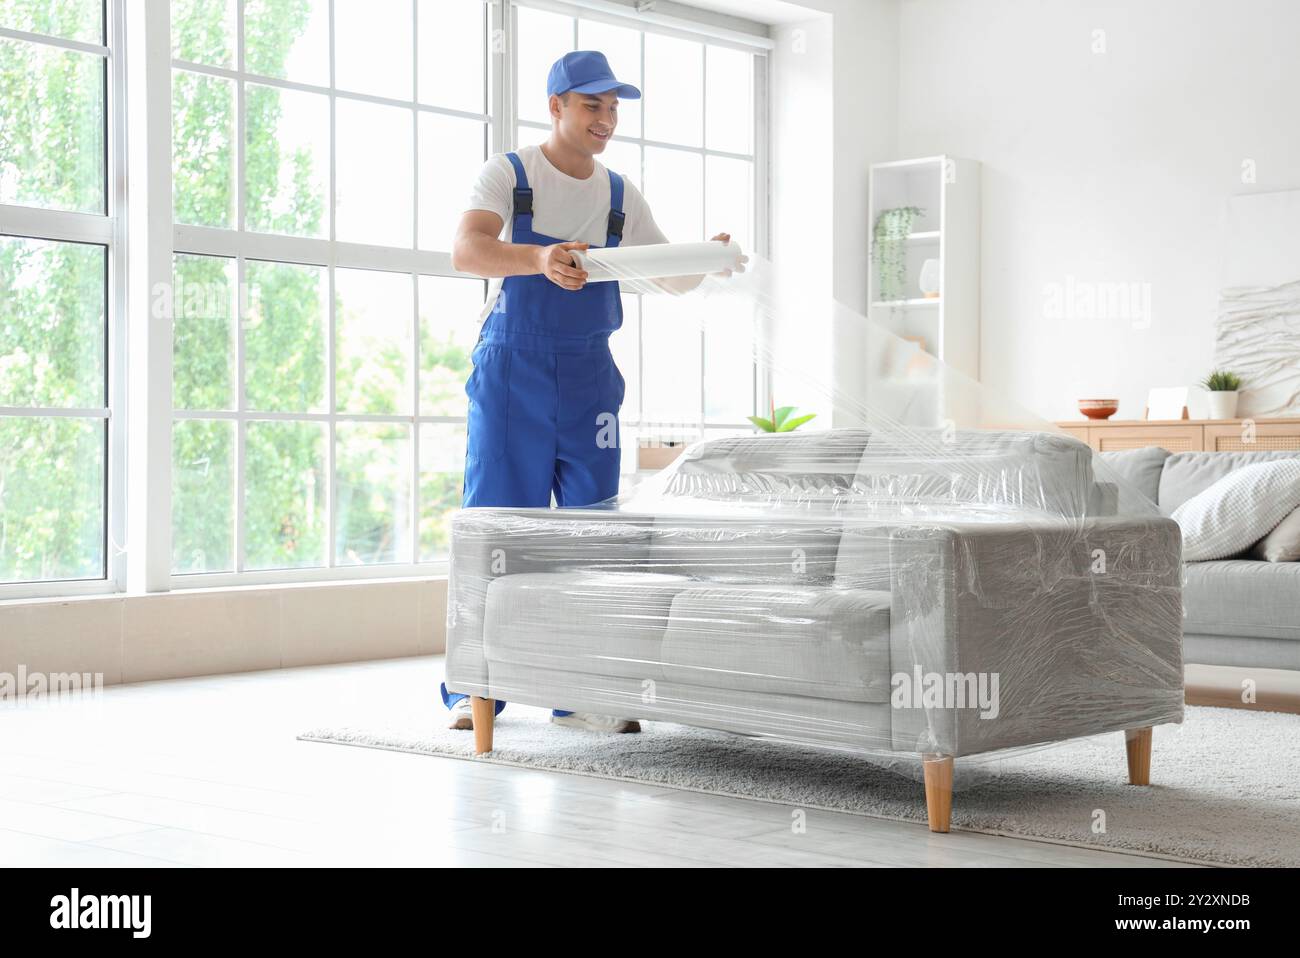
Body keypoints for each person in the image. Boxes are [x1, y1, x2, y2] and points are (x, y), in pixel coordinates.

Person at [440, 50, 734, 733]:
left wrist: (707, 257)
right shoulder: (510, 175)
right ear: (556, 107)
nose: (606, 120)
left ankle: (584, 693)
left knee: (596, 535)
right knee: (497, 529)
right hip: (513, 370)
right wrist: (538, 258)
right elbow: (467, 251)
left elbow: (668, 277)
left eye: (613, 108)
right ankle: (475, 690)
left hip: (588, 377)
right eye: (592, 105)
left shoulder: (620, 194)